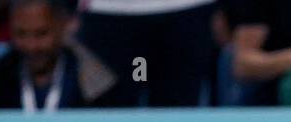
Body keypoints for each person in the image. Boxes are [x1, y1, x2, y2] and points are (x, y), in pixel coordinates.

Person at [0, 0, 116, 113]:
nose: (31, 46)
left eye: (41, 34)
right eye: (21, 34)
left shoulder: (97, 86)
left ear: (64, 26)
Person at [76, 0, 217, 107]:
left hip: (187, 11)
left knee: (177, 120)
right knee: (105, 118)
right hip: (105, 15)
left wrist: (235, 13)